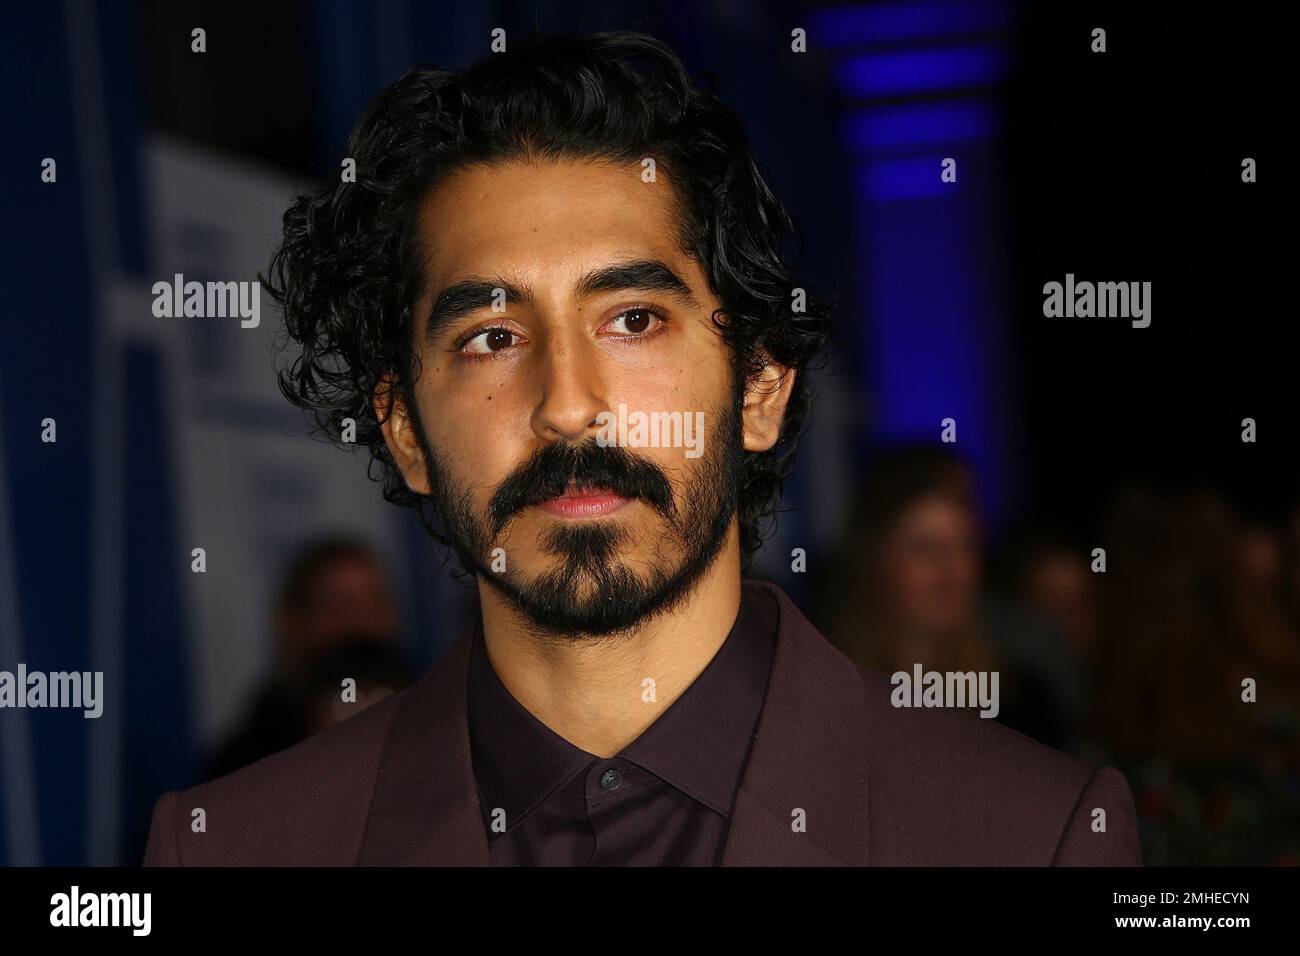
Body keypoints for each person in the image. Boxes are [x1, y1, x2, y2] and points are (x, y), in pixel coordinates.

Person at [143, 31, 1139, 866]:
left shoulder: (1026, 835)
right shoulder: (233, 846)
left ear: (759, 386)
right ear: (404, 429)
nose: (568, 406)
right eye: (490, 336)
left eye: (631, 320)